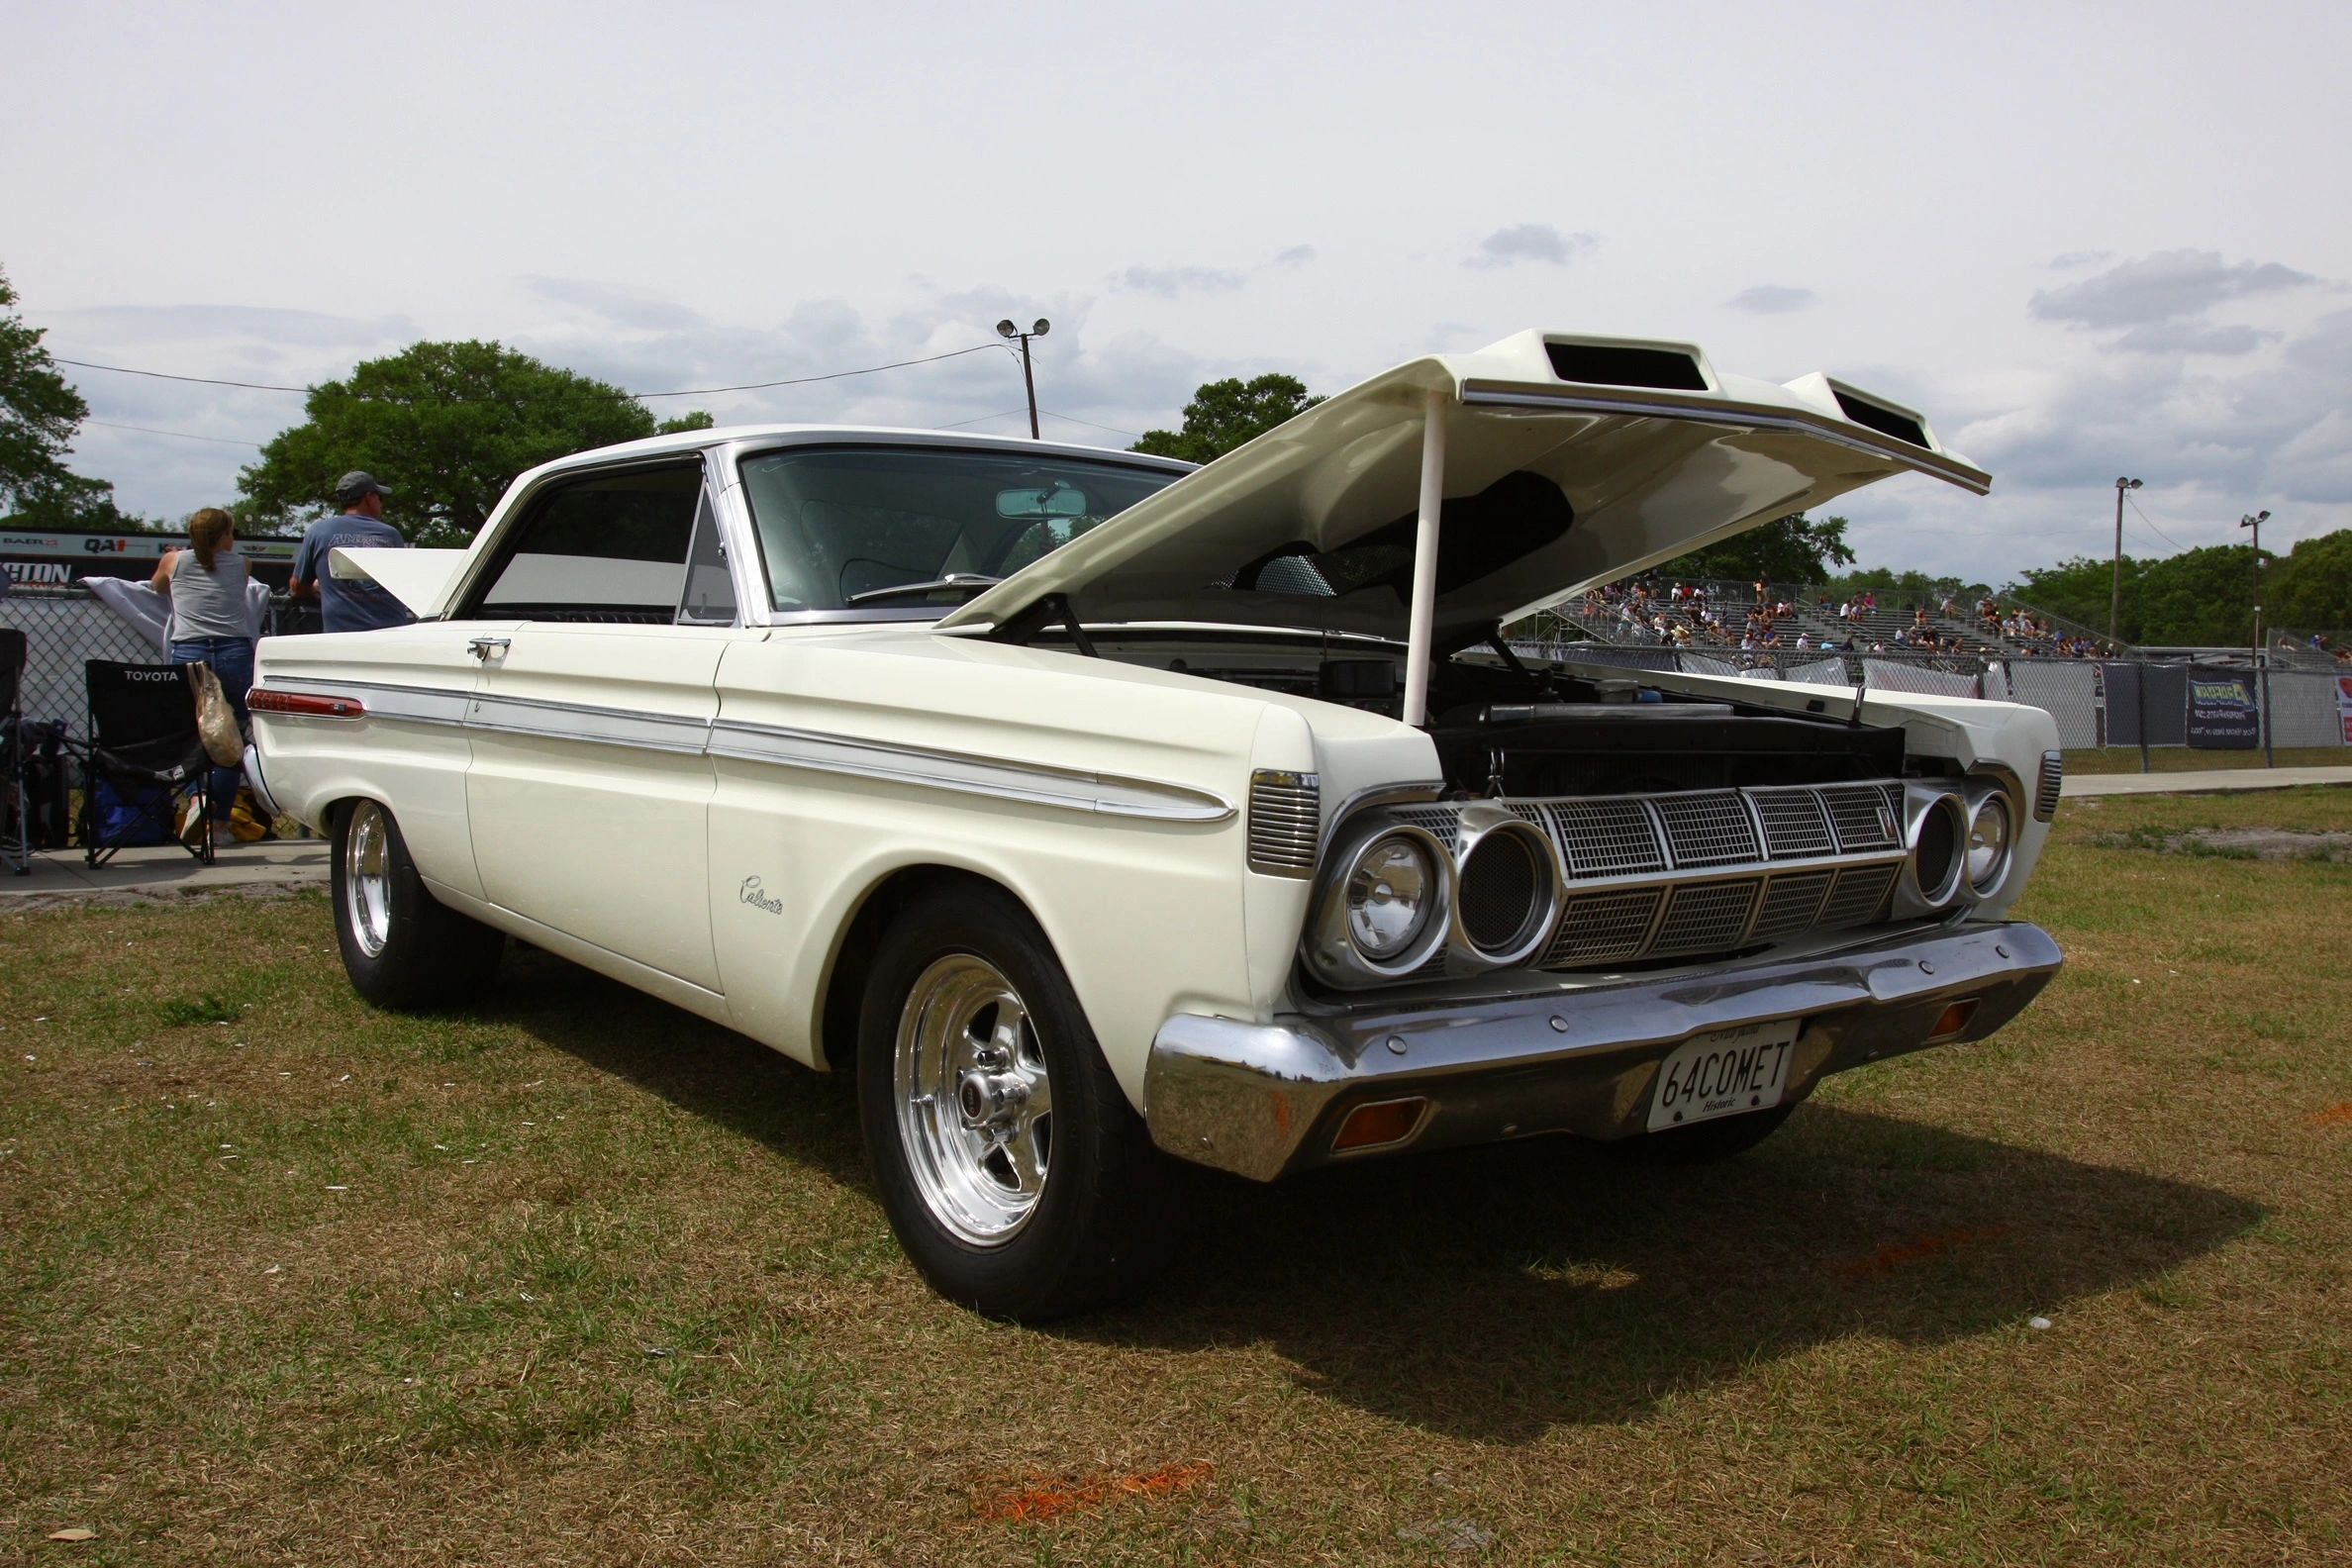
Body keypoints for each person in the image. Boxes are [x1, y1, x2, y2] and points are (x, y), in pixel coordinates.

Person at [153, 507, 254, 843]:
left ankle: (198, 798)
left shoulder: (173, 562)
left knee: (193, 732)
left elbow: (157, 588)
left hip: (189, 652)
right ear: (224, 536)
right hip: (233, 651)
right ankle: (220, 823)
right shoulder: (241, 564)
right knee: (230, 738)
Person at [290, 471, 413, 634]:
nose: (381, 503)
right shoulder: (390, 534)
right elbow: (403, 583)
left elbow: (296, 588)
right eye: (379, 497)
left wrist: (317, 588)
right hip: (389, 634)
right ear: (369, 497)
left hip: (341, 637)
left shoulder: (318, 531)